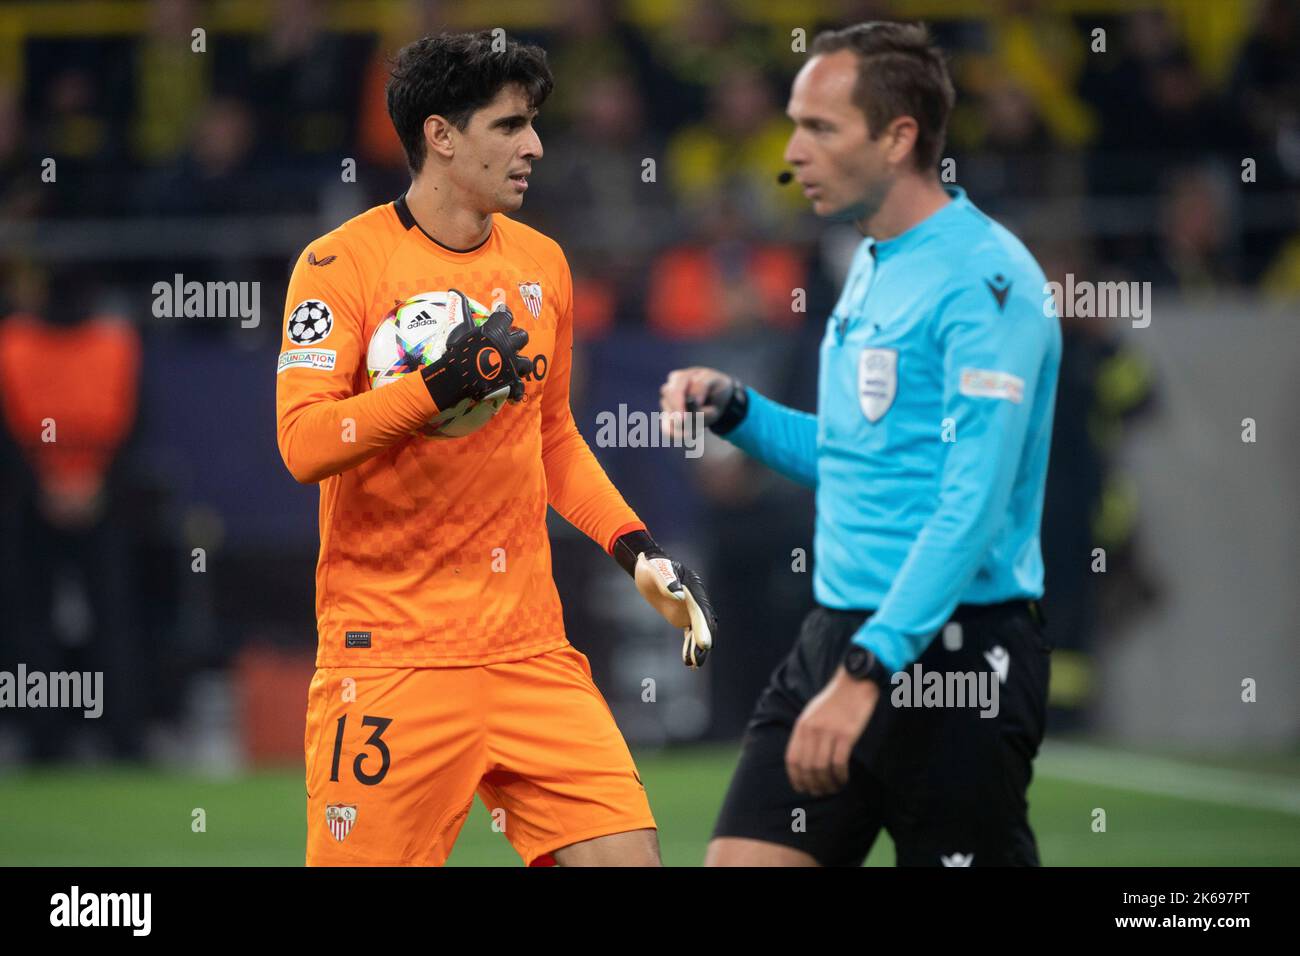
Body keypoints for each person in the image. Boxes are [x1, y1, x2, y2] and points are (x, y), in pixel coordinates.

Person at [275, 31, 716, 867]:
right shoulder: (339, 265)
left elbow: (551, 439)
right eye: (511, 126)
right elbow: (302, 444)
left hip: (530, 652)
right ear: (441, 136)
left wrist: (638, 552)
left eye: (534, 124)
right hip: (392, 659)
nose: (535, 147)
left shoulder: (543, 264)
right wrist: (435, 388)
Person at [660, 21, 1061, 867]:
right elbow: (856, 459)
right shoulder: (871, 260)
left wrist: (866, 675)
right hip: (839, 635)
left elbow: (973, 505)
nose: (791, 152)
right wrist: (736, 411)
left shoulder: (986, 281)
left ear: (898, 138)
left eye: (820, 128)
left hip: (956, 656)